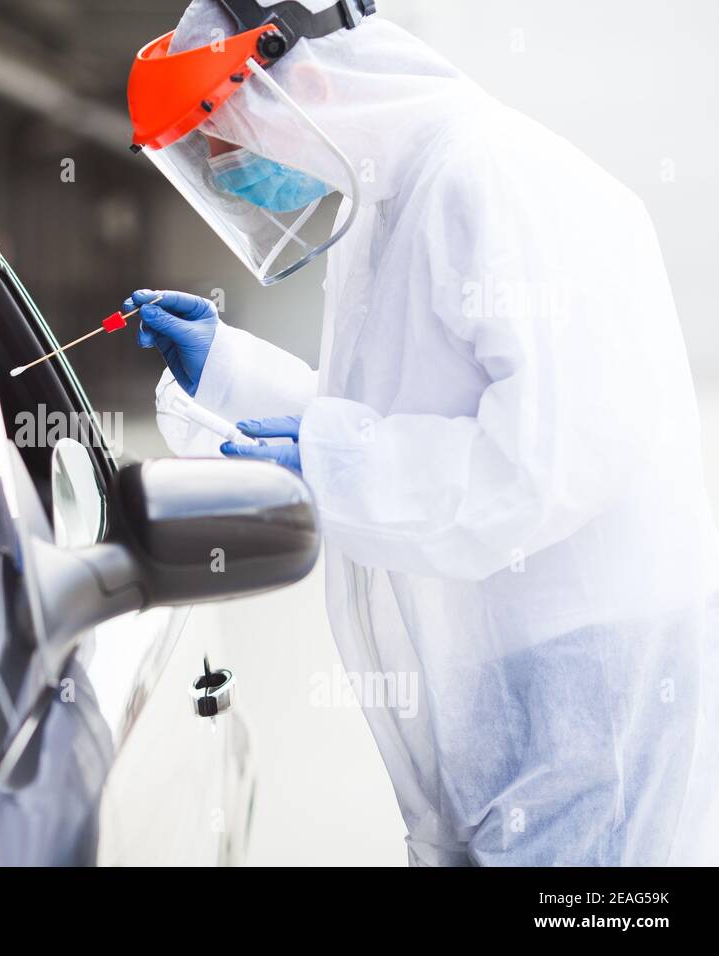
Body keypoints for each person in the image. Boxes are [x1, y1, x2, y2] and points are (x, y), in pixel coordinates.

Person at [125, 0, 719, 864]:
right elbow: (394, 428)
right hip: (506, 692)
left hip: (586, 698)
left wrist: (330, 468)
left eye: (226, 138)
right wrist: (225, 367)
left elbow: (542, 461)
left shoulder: (492, 176)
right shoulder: (382, 207)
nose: (224, 172)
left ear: (311, 83)